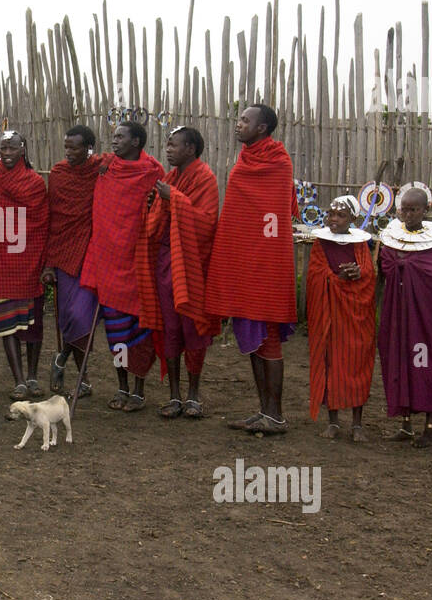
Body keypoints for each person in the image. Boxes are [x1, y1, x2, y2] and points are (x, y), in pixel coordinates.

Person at [203, 104, 298, 434]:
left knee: (268, 339)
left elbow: (274, 216)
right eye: (238, 119)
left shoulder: (277, 162)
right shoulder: (245, 158)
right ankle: (265, 411)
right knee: (255, 340)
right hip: (244, 260)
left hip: (267, 262)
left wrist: (261, 255)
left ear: (262, 128)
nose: (238, 124)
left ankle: (276, 414)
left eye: (245, 120)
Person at [80, 120, 164, 413]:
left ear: (137, 142)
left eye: (120, 137)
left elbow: (160, 212)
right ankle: (122, 385)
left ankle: (139, 389)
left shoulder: (152, 173)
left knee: (139, 331)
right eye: (113, 136)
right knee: (116, 334)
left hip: (139, 261)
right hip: (109, 260)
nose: (114, 141)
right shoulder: (106, 169)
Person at [136, 126, 219, 419]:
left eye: (174, 145)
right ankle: (174, 395)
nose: (168, 150)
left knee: (193, 326)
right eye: (167, 145)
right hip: (166, 261)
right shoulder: (169, 179)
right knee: (169, 325)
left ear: (191, 149)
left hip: (193, 264)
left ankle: (194, 395)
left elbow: (207, 223)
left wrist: (175, 199)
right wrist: (156, 205)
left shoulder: (205, 179)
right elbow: (155, 223)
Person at [0, 131, 50, 399]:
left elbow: (42, 223)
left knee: (32, 324)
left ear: (23, 149)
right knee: (6, 321)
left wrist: (43, 262)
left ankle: (32, 376)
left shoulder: (34, 182)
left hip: (28, 261)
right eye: (3, 149)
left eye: (12, 148)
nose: (7, 153)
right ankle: (18, 380)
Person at [377, 186, 432, 446]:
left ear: (425, 210)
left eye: (413, 209)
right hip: (397, 309)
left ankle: (429, 427)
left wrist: (405, 264)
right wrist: (399, 263)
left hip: (425, 313)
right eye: (403, 209)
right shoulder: (392, 235)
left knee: (425, 362)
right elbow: (386, 263)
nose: (407, 214)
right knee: (399, 359)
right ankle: (405, 423)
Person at [305, 196, 377, 440]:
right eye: (331, 214)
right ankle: (333, 421)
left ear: (353, 220)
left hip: (356, 317)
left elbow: (369, 274)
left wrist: (357, 274)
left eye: (341, 215)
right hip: (330, 318)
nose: (333, 219)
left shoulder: (360, 245)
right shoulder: (320, 244)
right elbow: (315, 275)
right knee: (330, 363)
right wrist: (336, 279)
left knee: (357, 363)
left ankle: (357, 424)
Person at [42, 124, 102, 399]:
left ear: (88, 148)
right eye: (66, 146)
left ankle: (63, 356)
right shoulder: (58, 173)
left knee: (83, 318)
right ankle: (84, 378)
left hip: (92, 254)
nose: (68, 152)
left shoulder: (100, 170)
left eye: (74, 147)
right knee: (70, 317)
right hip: (65, 254)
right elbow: (53, 216)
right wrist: (50, 263)